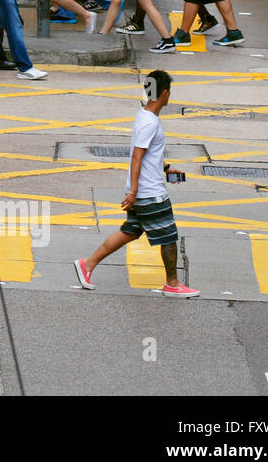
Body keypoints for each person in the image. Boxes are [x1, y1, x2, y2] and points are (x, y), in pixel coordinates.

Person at [73, 70, 200, 297]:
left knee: (130, 231)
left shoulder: (145, 116)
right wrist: (134, 192)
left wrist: (166, 168)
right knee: (169, 236)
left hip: (143, 190)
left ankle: (87, 264)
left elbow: (148, 154)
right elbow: (137, 157)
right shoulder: (149, 122)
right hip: (149, 192)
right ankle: (172, 283)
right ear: (164, 93)